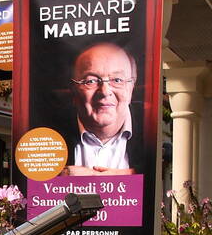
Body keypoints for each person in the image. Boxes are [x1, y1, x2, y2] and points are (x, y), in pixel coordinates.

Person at [58, 42, 146, 175]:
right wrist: (61, 174)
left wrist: (129, 175)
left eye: (117, 80)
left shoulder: (151, 128)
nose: (105, 92)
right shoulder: (47, 129)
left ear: (131, 87)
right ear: (74, 90)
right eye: (91, 81)